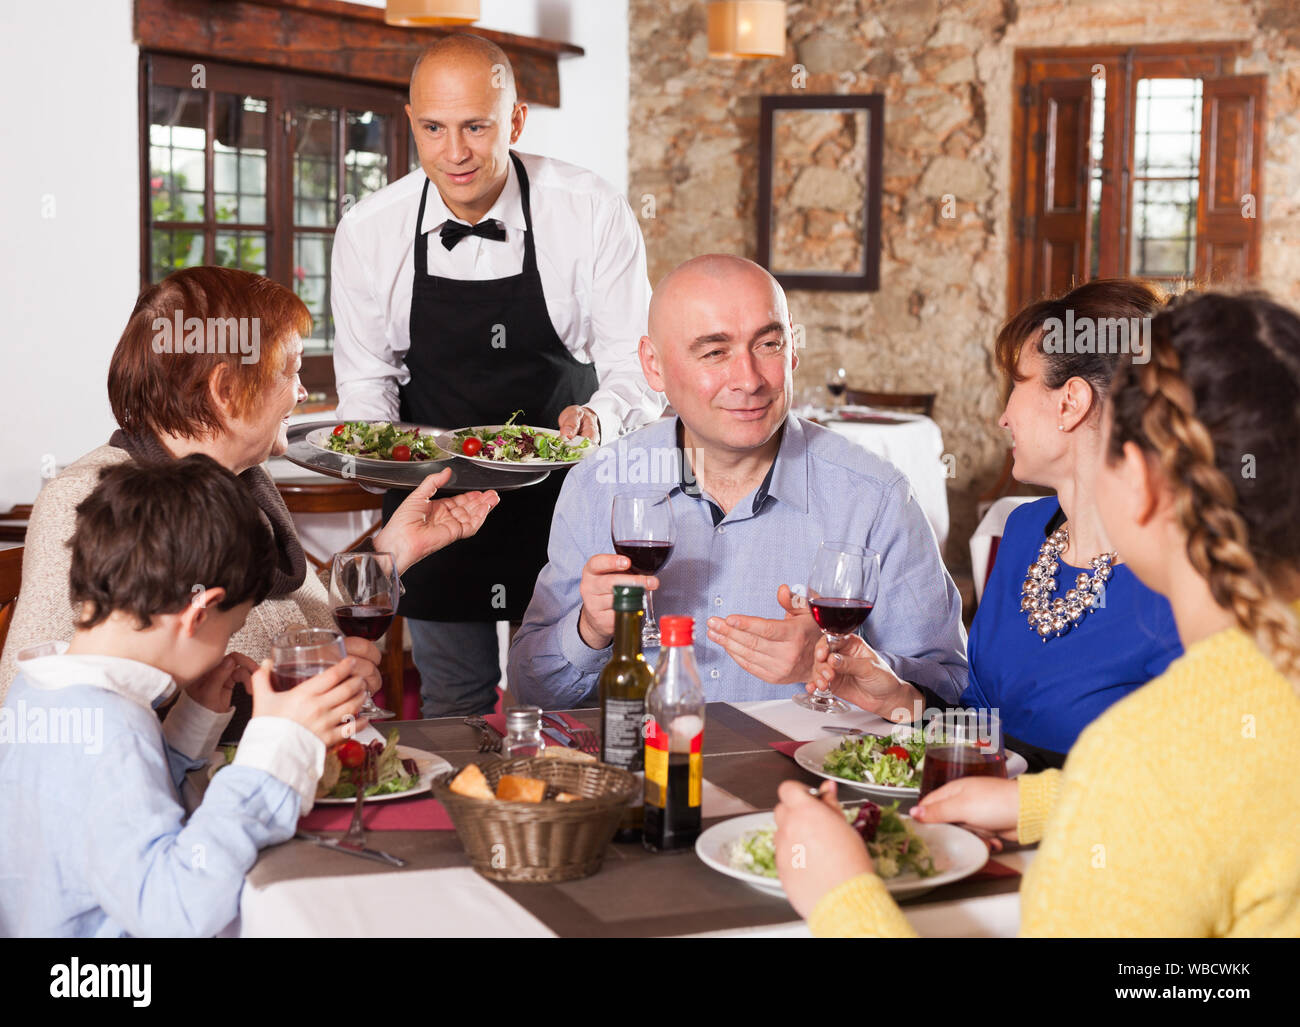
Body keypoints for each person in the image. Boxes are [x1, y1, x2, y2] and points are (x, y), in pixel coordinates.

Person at [774, 290, 1300, 937]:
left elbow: (1170, 792)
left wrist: (841, 894)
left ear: (1140, 478)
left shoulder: (1149, 751)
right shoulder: (1225, 721)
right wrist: (1036, 797)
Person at [331, 34, 664, 719]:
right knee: (454, 707)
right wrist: (374, 447)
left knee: (580, 699)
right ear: (411, 121)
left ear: (514, 121)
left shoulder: (589, 209)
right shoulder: (370, 230)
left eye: (476, 126)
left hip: (568, 501)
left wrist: (600, 418)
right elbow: (368, 383)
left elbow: (637, 363)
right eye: (433, 128)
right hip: (439, 508)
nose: (454, 152)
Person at [0, 267, 499, 720]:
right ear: (225, 389)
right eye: (291, 370)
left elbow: (299, 619)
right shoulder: (95, 500)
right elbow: (35, 712)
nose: (302, 392)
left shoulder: (238, 484)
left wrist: (391, 551)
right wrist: (275, 707)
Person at [508, 254, 966, 706]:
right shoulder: (598, 484)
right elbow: (531, 693)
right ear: (653, 365)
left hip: (802, 779)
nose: (748, 379)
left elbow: (949, 691)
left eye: (768, 345)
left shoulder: (875, 496)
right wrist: (590, 630)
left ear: (793, 348)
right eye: (715, 352)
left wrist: (841, 662)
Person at [804, 280, 1182, 769]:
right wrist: (898, 698)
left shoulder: (1182, 577)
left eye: (1017, 383)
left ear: (1071, 402)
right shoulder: (1024, 531)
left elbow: (1182, 785)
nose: (1004, 417)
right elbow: (982, 726)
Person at [0, 456, 372, 937]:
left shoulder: (42, 688)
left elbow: (106, 826)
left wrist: (186, 726)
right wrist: (277, 750)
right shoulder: (112, 733)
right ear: (200, 612)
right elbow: (175, 909)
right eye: (231, 630)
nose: (228, 646)